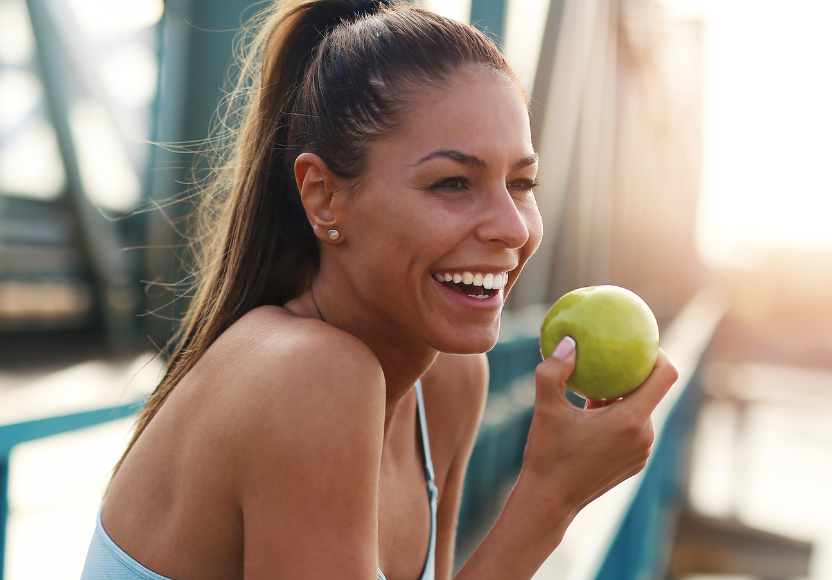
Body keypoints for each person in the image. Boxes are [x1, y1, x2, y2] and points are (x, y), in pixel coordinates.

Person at [81, 1, 678, 579]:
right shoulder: (310, 377)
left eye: (521, 183)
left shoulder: (449, 382)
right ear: (323, 196)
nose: (513, 228)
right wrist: (551, 497)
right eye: (452, 183)